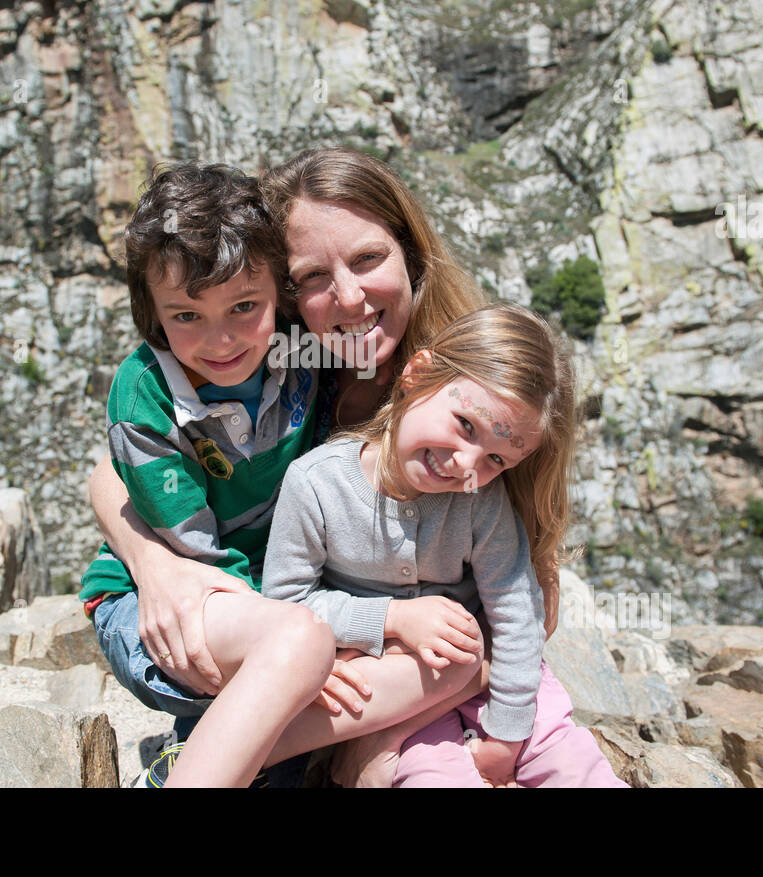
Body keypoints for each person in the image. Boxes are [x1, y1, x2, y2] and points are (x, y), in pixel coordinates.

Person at [85, 148, 570, 785]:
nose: (347, 297)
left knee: (460, 663)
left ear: (411, 254)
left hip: (346, 633)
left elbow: (522, 589)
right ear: (286, 292)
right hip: (251, 608)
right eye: (313, 276)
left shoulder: (467, 388)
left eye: (368, 259)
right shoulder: (268, 352)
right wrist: (152, 562)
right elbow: (115, 468)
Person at [263, 304, 626, 787]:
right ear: (418, 374)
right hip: (400, 682)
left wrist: (507, 736)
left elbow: (517, 614)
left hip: (487, 676)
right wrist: (394, 618)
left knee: (572, 760)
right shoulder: (316, 484)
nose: (466, 465)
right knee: (432, 774)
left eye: (496, 457)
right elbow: (284, 608)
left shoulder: (482, 501)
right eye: (465, 425)